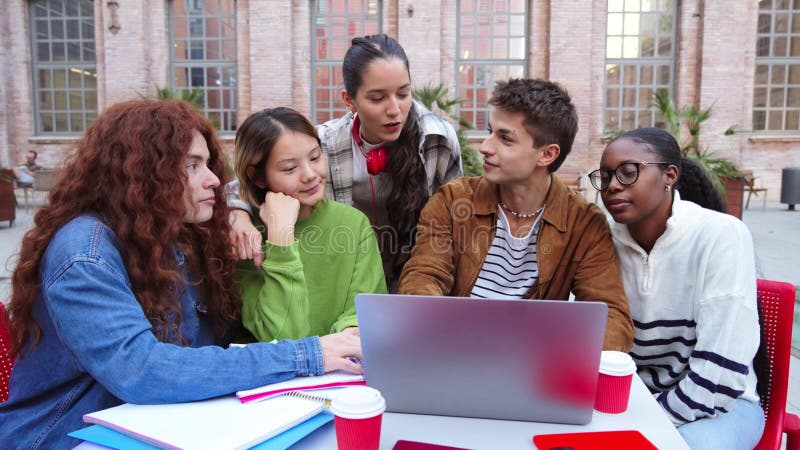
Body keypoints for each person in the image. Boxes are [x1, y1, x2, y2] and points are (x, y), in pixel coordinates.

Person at [0, 100, 362, 449]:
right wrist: (307, 354)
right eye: (193, 166)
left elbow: (209, 347)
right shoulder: (84, 254)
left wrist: (240, 215)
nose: (214, 181)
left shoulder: (173, 233)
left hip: (162, 422)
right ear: (143, 174)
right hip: (65, 434)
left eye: (208, 164)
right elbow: (142, 370)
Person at [398, 78, 633, 352]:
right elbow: (423, 277)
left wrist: (548, 353)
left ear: (546, 154)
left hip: (533, 363)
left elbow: (613, 320)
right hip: (453, 349)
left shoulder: (584, 223)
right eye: (489, 132)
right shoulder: (453, 201)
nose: (485, 146)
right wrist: (440, 330)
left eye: (505, 138)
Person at [227, 34, 462, 290]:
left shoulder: (437, 139)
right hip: (346, 279)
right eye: (377, 98)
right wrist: (238, 217)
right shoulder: (324, 144)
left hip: (415, 279)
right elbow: (245, 184)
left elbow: (452, 219)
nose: (394, 109)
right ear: (349, 100)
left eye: (403, 93)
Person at [589, 127, 763, 449]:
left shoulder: (721, 236)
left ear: (669, 175)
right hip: (628, 403)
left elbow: (719, 376)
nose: (611, 186)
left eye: (628, 173)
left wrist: (647, 424)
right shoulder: (602, 239)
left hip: (718, 407)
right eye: (604, 176)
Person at [232, 107, 386, 342]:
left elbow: (364, 313)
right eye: (290, 169)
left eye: (315, 157)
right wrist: (280, 238)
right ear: (257, 176)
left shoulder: (353, 224)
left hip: (342, 369)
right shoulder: (245, 237)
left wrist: (347, 334)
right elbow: (281, 338)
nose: (310, 174)